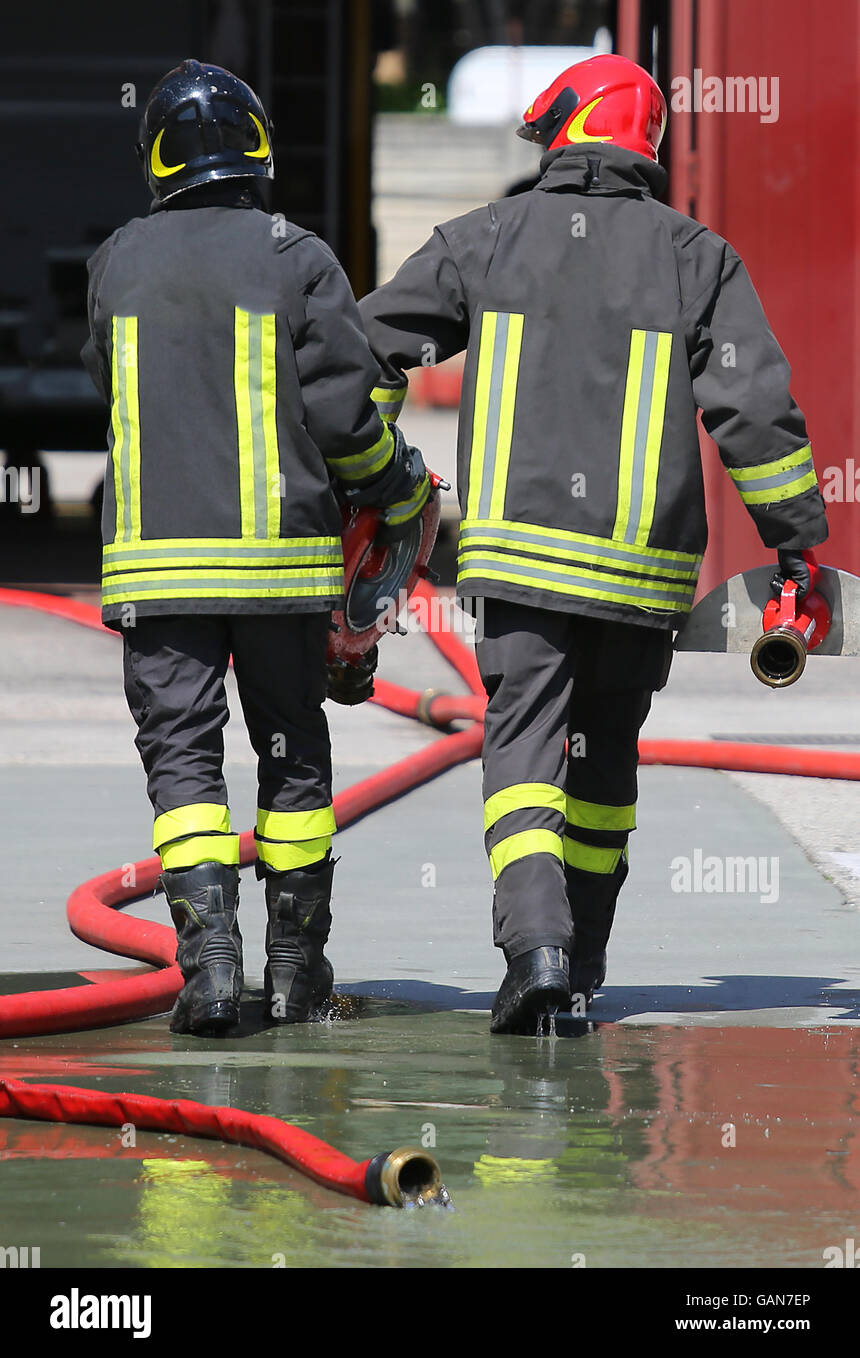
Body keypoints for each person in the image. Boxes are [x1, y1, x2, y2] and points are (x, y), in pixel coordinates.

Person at [358, 54, 829, 1034]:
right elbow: (754, 411)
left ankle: (530, 955)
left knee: (524, 750)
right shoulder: (695, 256)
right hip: (641, 581)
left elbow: (363, 347)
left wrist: (374, 481)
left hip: (520, 566)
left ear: (563, 134)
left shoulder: (484, 239)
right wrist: (793, 548)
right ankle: (579, 971)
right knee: (604, 762)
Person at [81, 60, 428, 1036]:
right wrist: (397, 492)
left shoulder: (119, 260)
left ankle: (209, 972)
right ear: (257, 146)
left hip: (158, 571)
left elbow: (113, 387)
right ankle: (294, 975)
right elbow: (344, 420)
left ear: (158, 159)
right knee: (292, 761)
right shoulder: (297, 256)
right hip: (279, 573)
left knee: (184, 763)